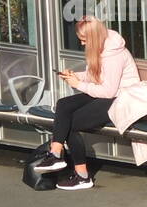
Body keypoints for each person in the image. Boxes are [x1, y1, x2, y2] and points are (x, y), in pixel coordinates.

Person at [34, 16, 140, 190]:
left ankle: (82, 176)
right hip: (107, 95)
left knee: (71, 124)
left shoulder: (114, 54)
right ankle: (56, 153)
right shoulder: (102, 47)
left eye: (84, 40)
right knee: (63, 104)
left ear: (93, 37)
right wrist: (76, 76)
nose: (82, 44)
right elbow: (96, 76)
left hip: (121, 99)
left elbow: (108, 91)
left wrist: (79, 85)